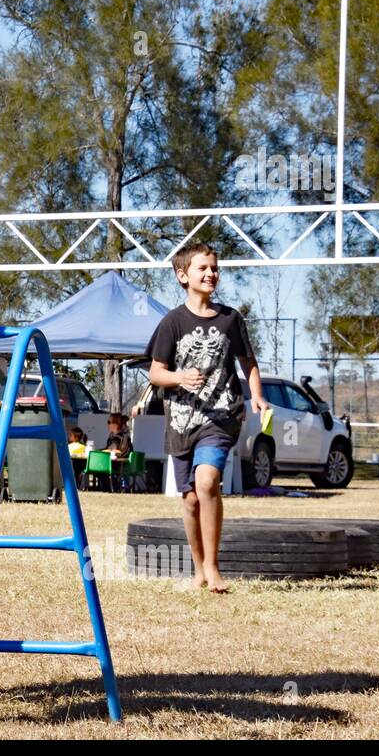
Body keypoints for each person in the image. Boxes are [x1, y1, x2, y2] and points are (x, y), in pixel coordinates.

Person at [146, 243, 270, 593]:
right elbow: (156, 372)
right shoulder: (172, 322)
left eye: (214, 268)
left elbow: (248, 362)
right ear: (182, 276)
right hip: (182, 420)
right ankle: (198, 569)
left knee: (207, 482)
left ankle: (214, 568)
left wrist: (257, 395)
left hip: (221, 415)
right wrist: (179, 378)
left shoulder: (231, 319)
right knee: (189, 499)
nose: (211, 273)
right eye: (203, 268)